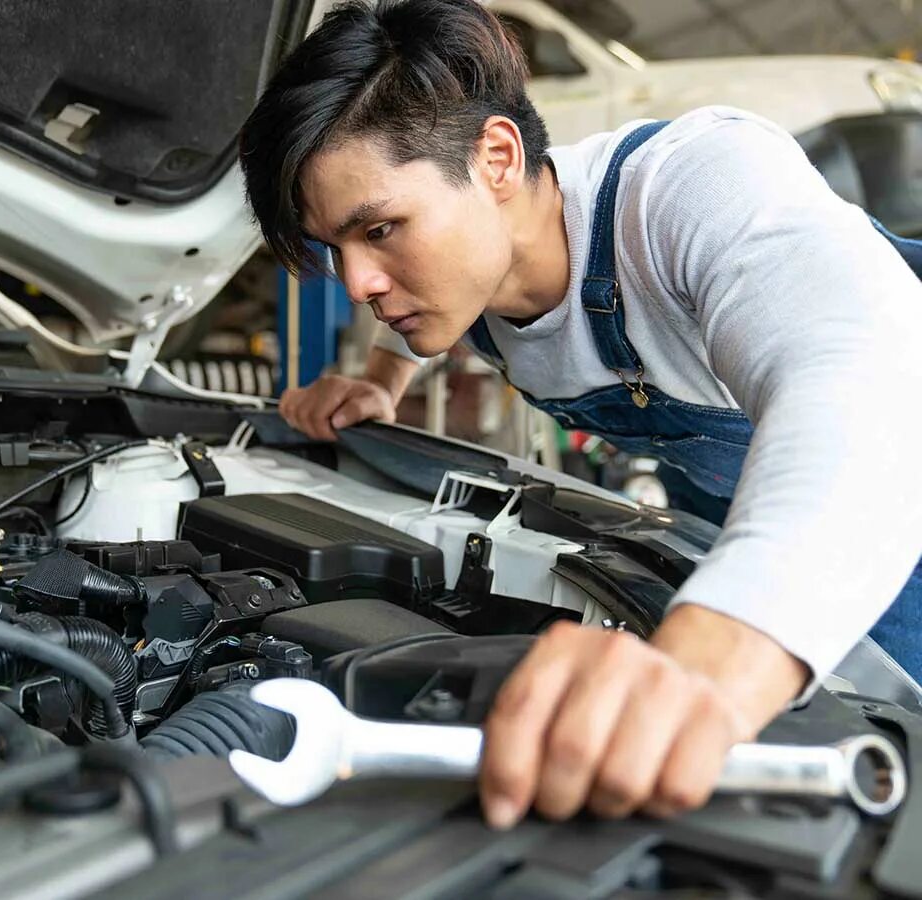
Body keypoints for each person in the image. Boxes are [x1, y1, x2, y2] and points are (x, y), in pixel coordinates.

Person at [238, 0, 922, 830]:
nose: (359, 284)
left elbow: (865, 378)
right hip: (727, 499)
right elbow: (402, 310)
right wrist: (382, 380)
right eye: (336, 249)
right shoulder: (461, 279)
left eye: (380, 229)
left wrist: (716, 654)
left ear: (496, 157)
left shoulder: (694, 184)